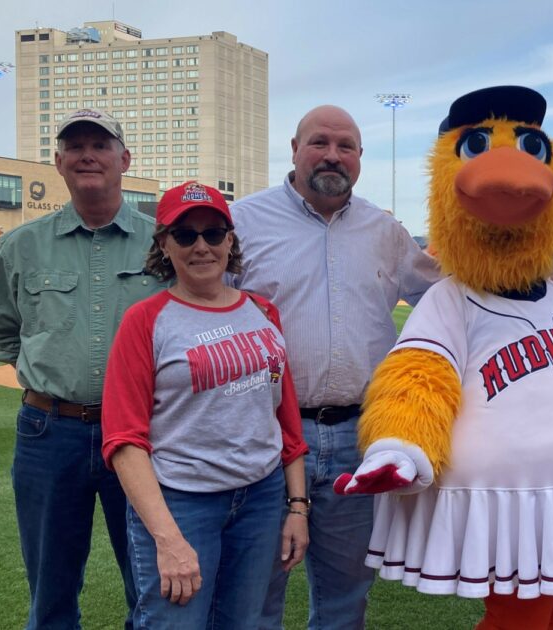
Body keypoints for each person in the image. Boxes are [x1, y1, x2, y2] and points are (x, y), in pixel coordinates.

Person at [231, 105, 440, 630]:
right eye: (319, 142)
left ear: (361, 157)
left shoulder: (385, 230)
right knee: (258, 590)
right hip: (268, 434)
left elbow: (441, 297)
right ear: (295, 148)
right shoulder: (243, 223)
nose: (332, 155)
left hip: (358, 434)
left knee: (347, 594)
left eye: (345, 146)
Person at [0, 108, 165, 629]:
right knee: (51, 587)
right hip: (48, 432)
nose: (88, 154)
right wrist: (50, 376)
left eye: (101, 145)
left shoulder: (161, 243)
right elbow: (3, 329)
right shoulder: (22, 244)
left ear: (124, 159)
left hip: (141, 434)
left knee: (150, 580)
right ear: (58, 162)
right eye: (75, 145)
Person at [102, 182, 309, 628]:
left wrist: (297, 507)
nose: (201, 246)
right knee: (175, 622)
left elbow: (286, 419)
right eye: (185, 234)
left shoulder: (263, 311)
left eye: (213, 233)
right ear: (163, 243)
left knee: (244, 622)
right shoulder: (146, 320)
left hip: (261, 497)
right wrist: (167, 537)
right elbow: (124, 439)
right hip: (182, 501)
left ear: (230, 240)